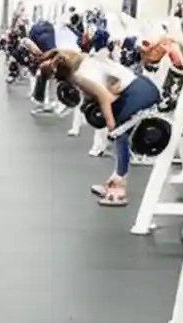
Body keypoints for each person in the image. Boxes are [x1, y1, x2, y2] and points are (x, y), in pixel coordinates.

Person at [45, 49, 161, 206]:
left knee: (119, 133)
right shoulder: (86, 59)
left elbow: (105, 97)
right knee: (119, 134)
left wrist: (110, 123)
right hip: (141, 86)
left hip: (138, 92)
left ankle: (119, 189)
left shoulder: (79, 76)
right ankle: (116, 179)